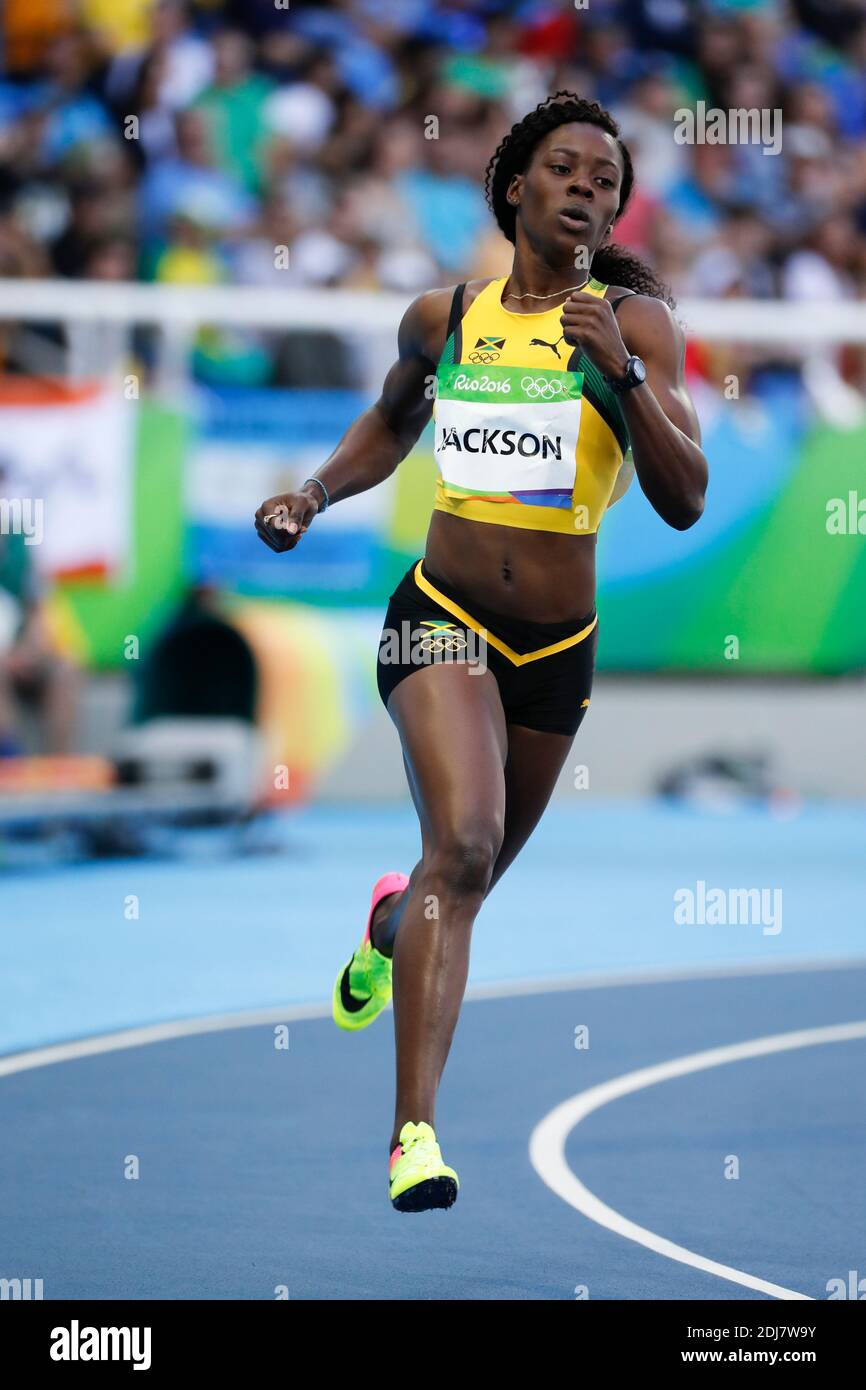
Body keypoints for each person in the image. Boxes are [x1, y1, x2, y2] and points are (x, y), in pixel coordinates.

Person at [255, 92, 708, 1213]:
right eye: (565, 169)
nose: (585, 192)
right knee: (460, 846)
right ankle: (415, 1134)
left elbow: (685, 497)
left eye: (605, 181)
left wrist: (627, 379)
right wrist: (313, 491)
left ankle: (383, 928)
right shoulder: (444, 314)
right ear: (516, 185)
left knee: (463, 881)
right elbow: (390, 421)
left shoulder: (634, 328)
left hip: (555, 646)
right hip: (436, 615)